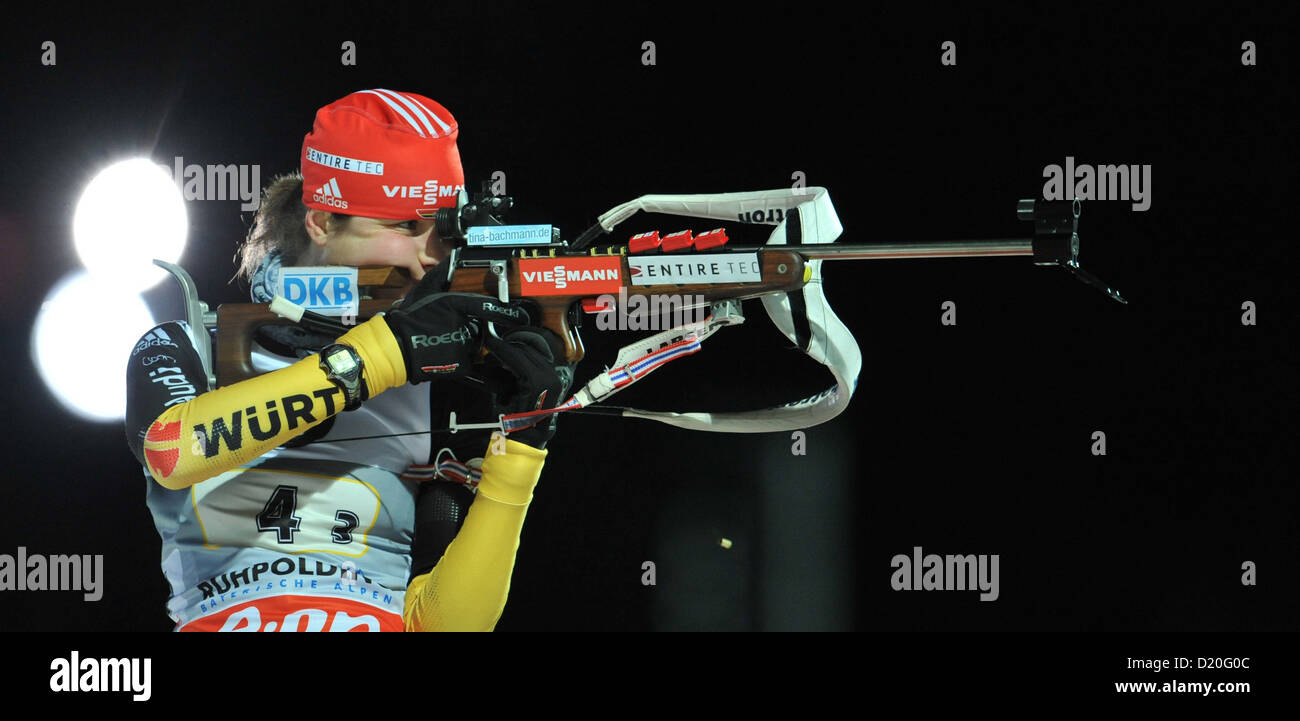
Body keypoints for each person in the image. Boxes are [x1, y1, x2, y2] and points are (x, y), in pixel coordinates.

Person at [124, 88, 568, 631]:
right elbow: (172, 452)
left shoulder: (442, 382)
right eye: (405, 226)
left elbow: (445, 626)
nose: (429, 257)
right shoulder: (189, 345)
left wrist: (520, 455)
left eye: (441, 232)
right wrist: (385, 353)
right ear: (321, 221)